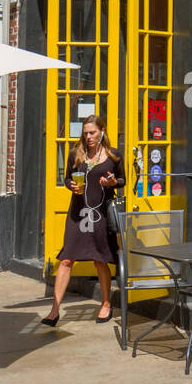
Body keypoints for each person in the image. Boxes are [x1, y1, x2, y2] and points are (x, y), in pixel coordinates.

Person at [42, 115, 125, 326]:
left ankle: (106, 303)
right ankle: (54, 310)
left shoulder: (113, 155)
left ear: (102, 131)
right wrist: (71, 185)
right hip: (78, 213)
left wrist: (112, 182)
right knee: (67, 258)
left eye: (92, 132)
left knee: (100, 259)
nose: (88, 137)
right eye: (86, 133)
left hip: (99, 214)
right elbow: (67, 178)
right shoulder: (76, 154)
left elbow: (122, 180)